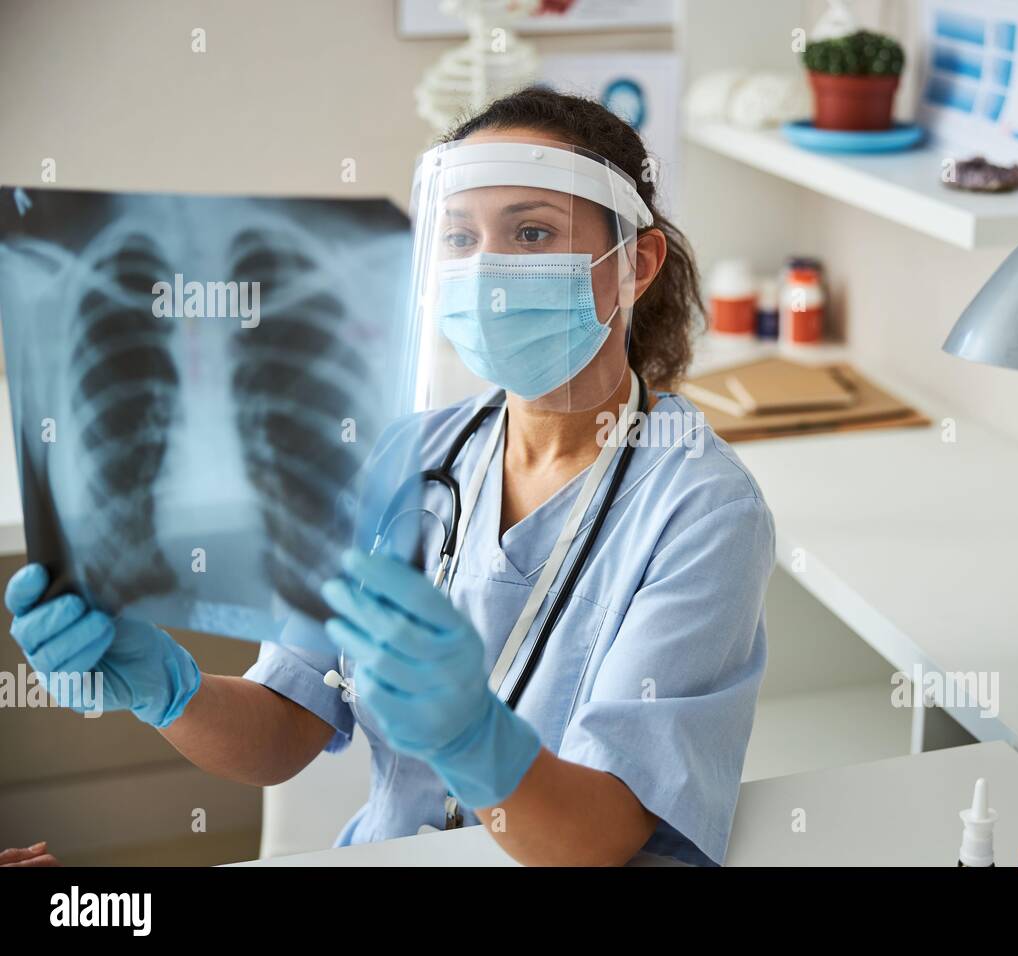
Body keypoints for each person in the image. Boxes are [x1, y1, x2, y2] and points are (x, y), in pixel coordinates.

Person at [5, 88, 775, 867]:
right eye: (460, 238)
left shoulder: (702, 508)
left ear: (635, 264)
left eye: (532, 232)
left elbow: (598, 842)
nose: (488, 272)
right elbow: (282, 731)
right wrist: (167, 687)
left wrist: (475, 738)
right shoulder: (408, 458)